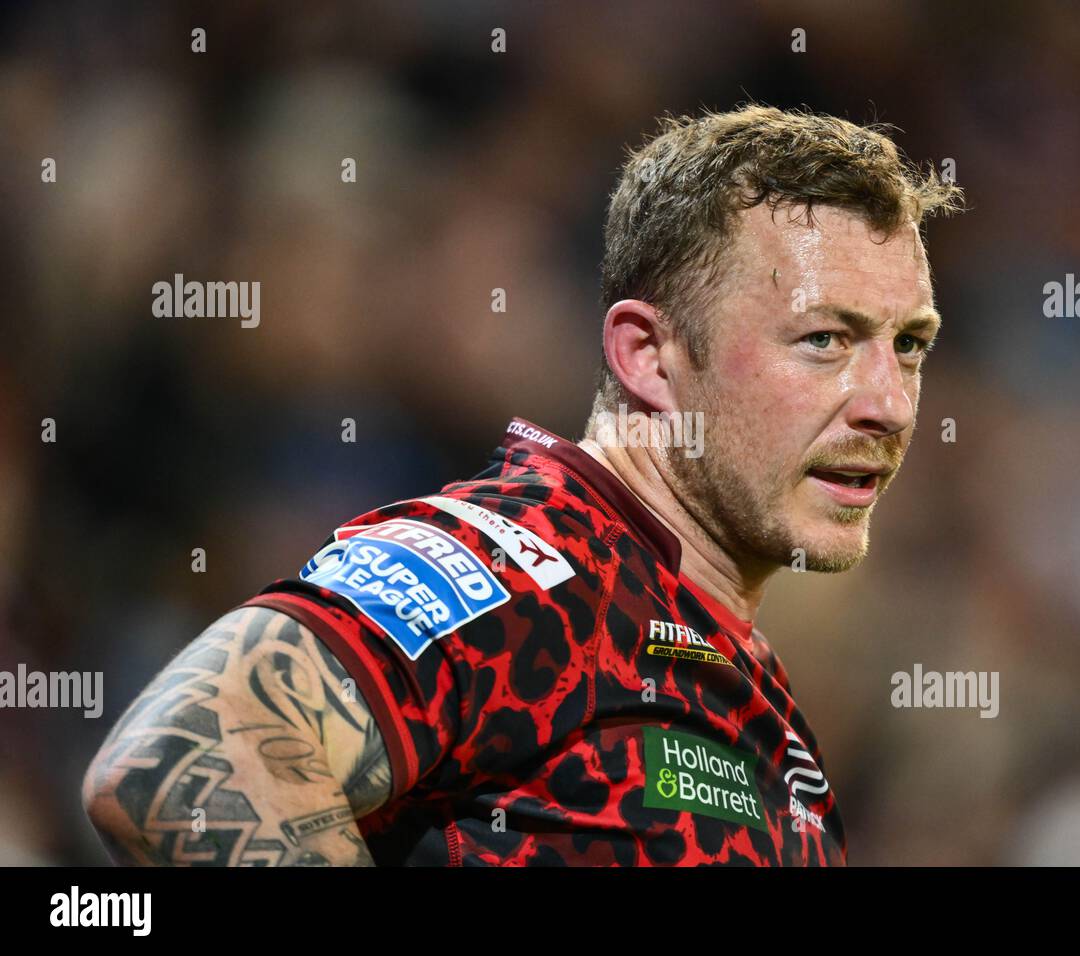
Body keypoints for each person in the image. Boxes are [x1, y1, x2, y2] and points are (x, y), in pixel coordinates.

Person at [82, 103, 962, 866]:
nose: (888, 404)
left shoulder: (762, 708)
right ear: (648, 357)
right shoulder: (524, 564)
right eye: (824, 341)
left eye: (909, 346)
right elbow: (182, 759)